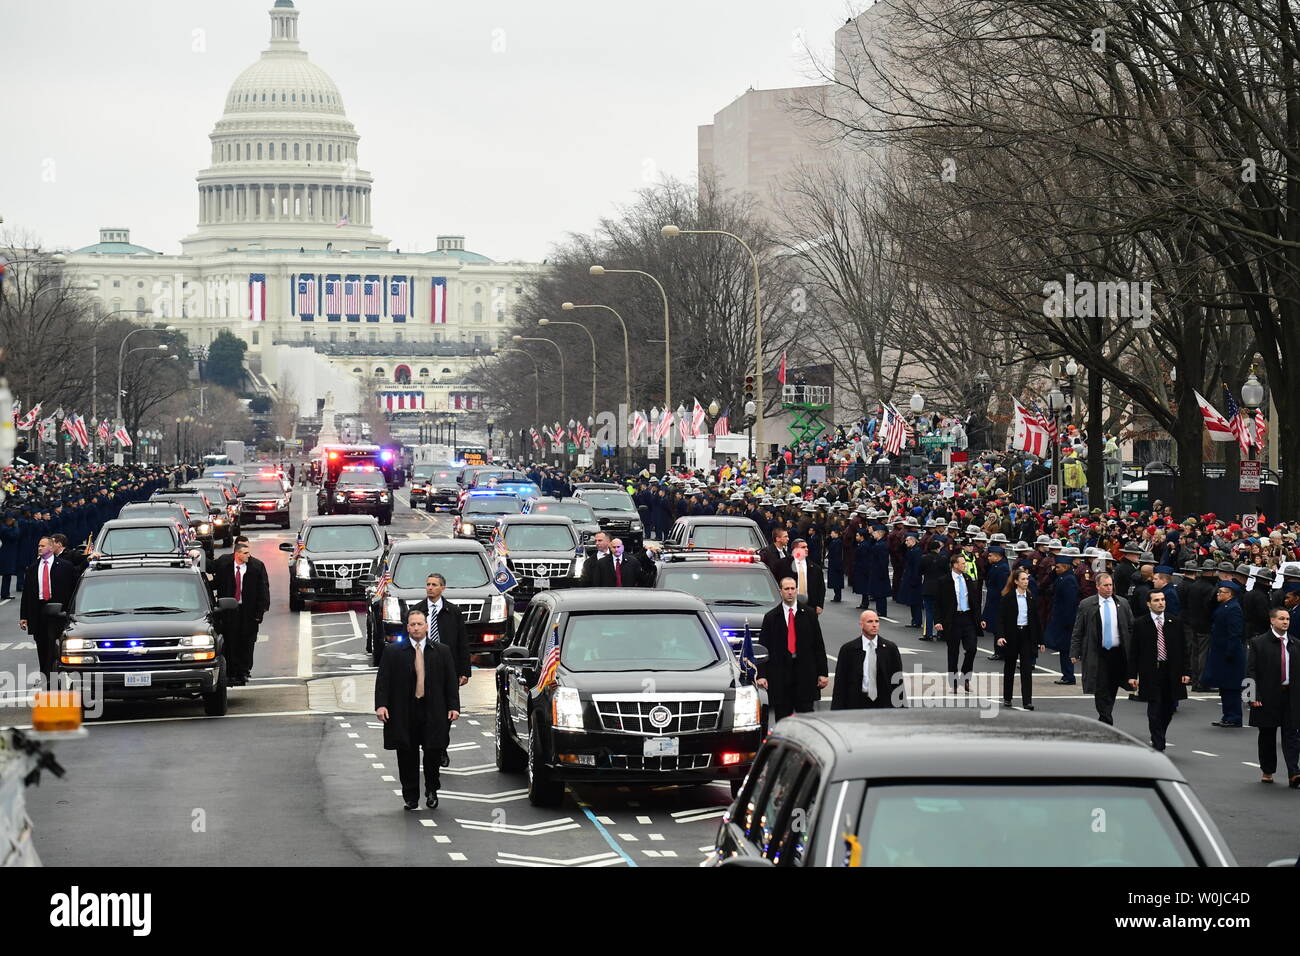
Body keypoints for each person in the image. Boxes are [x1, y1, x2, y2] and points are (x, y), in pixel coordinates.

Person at [374, 608, 460, 810]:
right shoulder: (393, 652)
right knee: (406, 755)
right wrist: (381, 705)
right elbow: (383, 681)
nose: (416, 628)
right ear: (407, 628)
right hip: (405, 711)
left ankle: (432, 790)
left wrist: (453, 706)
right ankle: (411, 796)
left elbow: (450, 682)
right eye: (412, 624)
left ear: (427, 627)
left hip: (434, 710)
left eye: (419, 624)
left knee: (432, 752)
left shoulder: (442, 651)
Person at [757, 577, 828, 721]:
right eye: (786, 589)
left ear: (796, 590)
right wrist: (762, 674)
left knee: (806, 720)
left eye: (792, 589)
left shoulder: (809, 615)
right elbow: (764, 648)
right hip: (780, 678)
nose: (790, 592)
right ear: (780, 592)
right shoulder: (771, 617)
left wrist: (822, 673)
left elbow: (818, 645)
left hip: (805, 677)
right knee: (783, 720)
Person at [1128, 589, 1191, 752]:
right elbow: (1134, 651)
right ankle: (1158, 739)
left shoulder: (1174, 622)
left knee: (1169, 707)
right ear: (1148, 604)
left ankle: (1160, 732)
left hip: (1171, 671)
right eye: (1156, 600)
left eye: (1162, 600)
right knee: (1154, 707)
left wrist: (1186, 672)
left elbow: (1184, 649)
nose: (1161, 603)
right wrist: (1132, 675)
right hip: (1151, 671)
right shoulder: (1141, 624)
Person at [1069, 571, 1134, 725]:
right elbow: (1078, 630)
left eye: (1111, 585)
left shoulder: (1122, 603)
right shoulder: (1087, 605)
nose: (1109, 588)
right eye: (1105, 585)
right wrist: (1075, 651)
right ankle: (1106, 720)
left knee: (1112, 686)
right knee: (1100, 687)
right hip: (1098, 653)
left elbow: (1131, 627)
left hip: (1118, 653)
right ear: (1097, 587)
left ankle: (1106, 715)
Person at [1247, 607, 1300, 786]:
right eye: (1281, 619)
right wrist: (1252, 696)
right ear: (1272, 621)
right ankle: (1267, 770)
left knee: (1292, 734)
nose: (1285, 622)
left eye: (1287, 619)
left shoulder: (1295, 643)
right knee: (1268, 734)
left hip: (1291, 696)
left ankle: (1294, 773)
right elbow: (1250, 671)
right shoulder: (1258, 643)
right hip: (1268, 696)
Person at [210, 540, 270, 685]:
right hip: (229, 609)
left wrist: (259, 613)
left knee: (247, 641)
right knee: (230, 640)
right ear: (237, 554)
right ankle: (231, 672)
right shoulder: (225, 564)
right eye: (245, 553)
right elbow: (213, 572)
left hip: (248, 611)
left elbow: (263, 590)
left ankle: (243, 671)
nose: (248, 555)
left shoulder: (256, 566)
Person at [18, 536, 78, 682]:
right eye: (38, 546)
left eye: (43, 546)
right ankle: (46, 676)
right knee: (42, 645)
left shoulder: (65, 566)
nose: (39, 548)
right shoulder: (32, 568)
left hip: (59, 611)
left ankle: (60, 673)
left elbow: (73, 589)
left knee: (57, 644)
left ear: (51, 548)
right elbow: (26, 594)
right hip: (38, 611)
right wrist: (24, 616)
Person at [404, 573, 471, 685]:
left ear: (442, 588)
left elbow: (462, 642)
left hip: (448, 665)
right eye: (428, 584)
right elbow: (406, 641)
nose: (430, 588)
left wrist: (465, 671)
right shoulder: (415, 611)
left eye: (434, 585)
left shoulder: (454, 612)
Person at [831, 610, 905, 709]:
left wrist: (901, 709)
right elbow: (840, 682)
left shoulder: (890, 648)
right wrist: (836, 709)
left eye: (877, 621)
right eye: (870, 622)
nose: (874, 625)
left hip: (883, 703)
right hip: (857, 702)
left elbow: (897, 681)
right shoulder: (849, 649)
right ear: (861, 625)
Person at [996, 567, 1043, 709]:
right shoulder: (1007, 597)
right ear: (1016, 581)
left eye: (1027, 579)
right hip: (1012, 635)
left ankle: (1027, 700)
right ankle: (1007, 697)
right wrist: (1000, 636)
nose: (1026, 581)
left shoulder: (1030, 597)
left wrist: (1041, 640)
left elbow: (1036, 620)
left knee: (1026, 668)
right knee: (1009, 666)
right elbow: (1001, 619)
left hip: (1026, 635)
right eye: (1023, 579)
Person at [935, 552, 979, 692]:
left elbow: (974, 600)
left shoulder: (967, 578)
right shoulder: (944, 581)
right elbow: (938, 603)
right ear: (954, 565)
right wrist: (938, 621)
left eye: (965, 563)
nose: (965, 565)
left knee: (971, 649)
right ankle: (953, 683)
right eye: (962, 563)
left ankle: (966, 678)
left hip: (968, 618)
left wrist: (980, 618)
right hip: (952, 619)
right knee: (953, 652)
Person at [1204, 580, 1246, 728]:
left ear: (1229, 594)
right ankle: (1227, 715)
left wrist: (1229, 653)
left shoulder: (1233, 608)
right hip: (1221, 652)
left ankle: (1234, 717)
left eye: (1221, 592)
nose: (1218, 594)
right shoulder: (1224, 606)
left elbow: (1234, 633)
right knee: (1224, 686)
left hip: (1230, 654)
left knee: (1231, 687)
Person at [1045, 554, 1080, 685]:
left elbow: (1070, 603)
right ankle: (1066, 675)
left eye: (1058, 567)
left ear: (1065, 567)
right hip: (1061, 618)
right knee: (1062, 648)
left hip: (1066, 620)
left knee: (1065, 649)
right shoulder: (1062, 577)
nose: (1055, 569)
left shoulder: (1069, 580)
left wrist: (1068, 621)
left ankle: (1069, 676)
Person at [776, 538, 825, 615]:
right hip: (789, 605)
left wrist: (820, 605)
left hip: (810, 606)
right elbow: (776, 583)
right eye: (803, 547)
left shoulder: (815, 568)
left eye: (806, 547)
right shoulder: (782, 565)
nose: (806, 549)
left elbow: (821, 588)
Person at [981, 545, 1010, 662]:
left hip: (998, 601)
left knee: (999, 627)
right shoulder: (996, 566)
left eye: (991, 555)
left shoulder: (1002, 568)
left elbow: (1002, 587)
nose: (989, 557)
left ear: (997, 557)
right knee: (996, 626)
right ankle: (999, 651)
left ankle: (1000, 651)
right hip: (994, 599)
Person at [897, 532, 924, 628]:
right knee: (912, 601)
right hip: (910, 578)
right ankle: (915, 620)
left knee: (915, 601)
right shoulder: (911, 550)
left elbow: (916, 567)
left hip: (914, 579)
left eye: (907, 540)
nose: (905, 542)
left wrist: (915, 579)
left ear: (913, 540)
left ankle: (917, 620)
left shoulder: (916, 551)